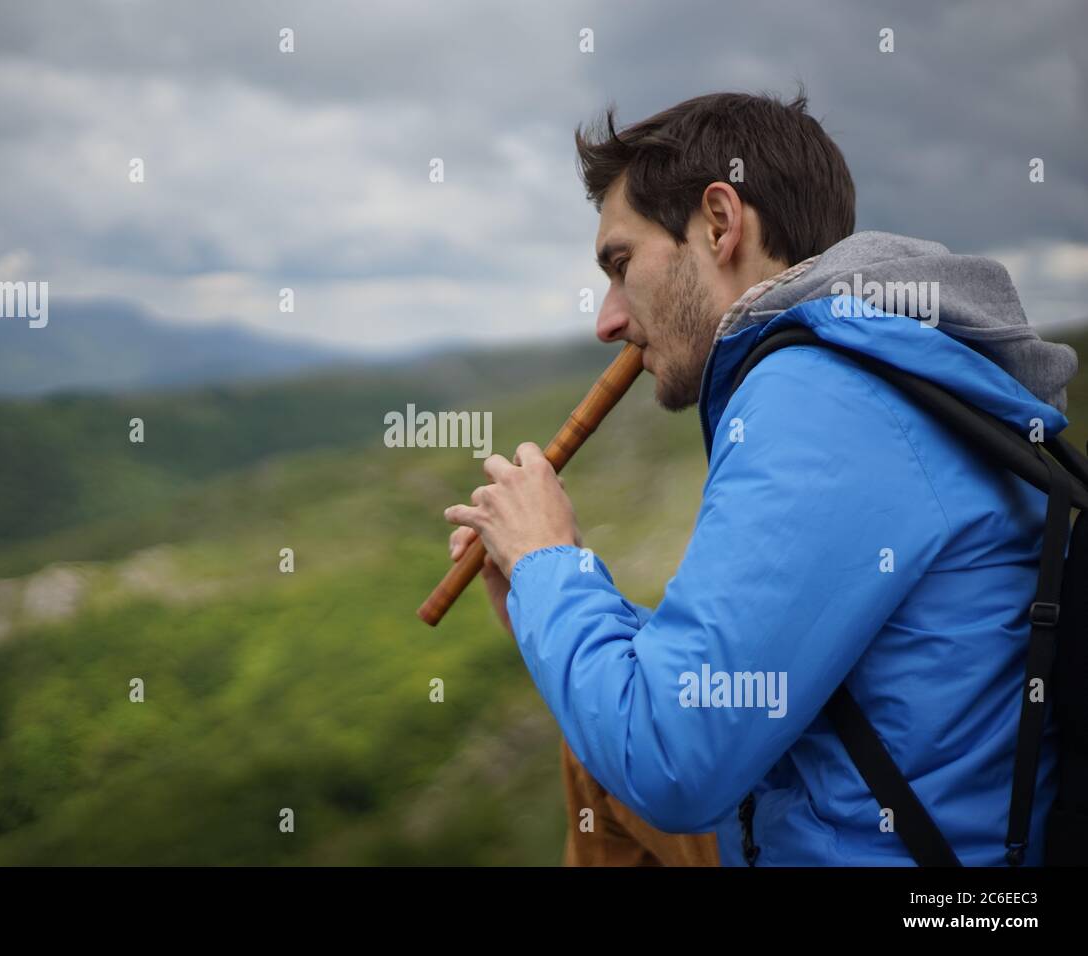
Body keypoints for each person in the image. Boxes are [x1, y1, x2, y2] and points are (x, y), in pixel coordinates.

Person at [444, 90, 1078, 866]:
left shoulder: (822, 395)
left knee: (619, 766)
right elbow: (730, 687)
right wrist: (551, 592)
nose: (608, 319)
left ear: (719, 222)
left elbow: (670, 759)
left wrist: (547, 564)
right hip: (884, 825)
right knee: (592, 758)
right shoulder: (889, 360)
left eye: (620, 264)